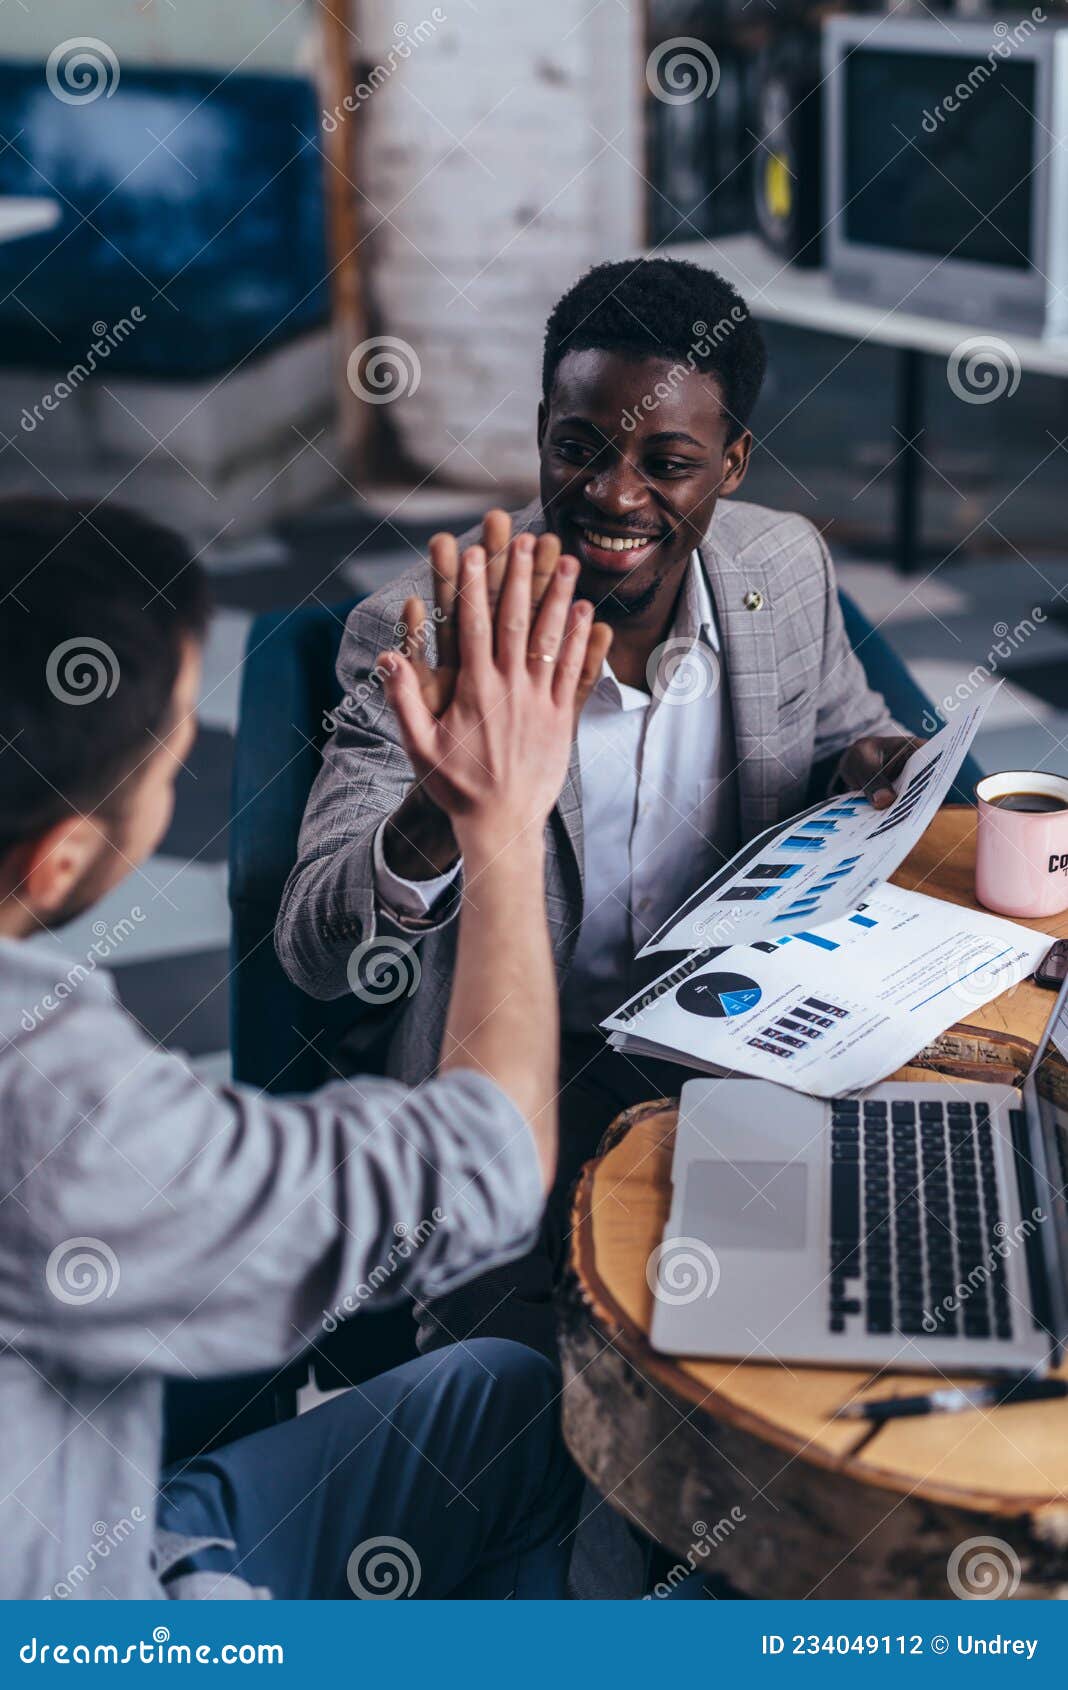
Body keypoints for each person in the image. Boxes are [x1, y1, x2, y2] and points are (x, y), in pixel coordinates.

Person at [275, 256, 919, 1358]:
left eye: (668, 461)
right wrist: (443, 811)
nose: (615, 495)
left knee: (822, 1324)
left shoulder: (787, 567)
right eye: (579, 447)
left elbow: (831, 727)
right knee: (536, 1399)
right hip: (520, 1090)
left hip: (733, 1049)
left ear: (732, 463)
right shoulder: (424, 634)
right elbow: (311, 951)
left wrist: (869, 755)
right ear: (541, 430)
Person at [0, 499, 598, 1600]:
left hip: (93, 1510)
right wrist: (502, 820)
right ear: (59, 862)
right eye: (176, 753)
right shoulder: (49, 1100)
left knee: (505, 1400)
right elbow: (487, 1161)